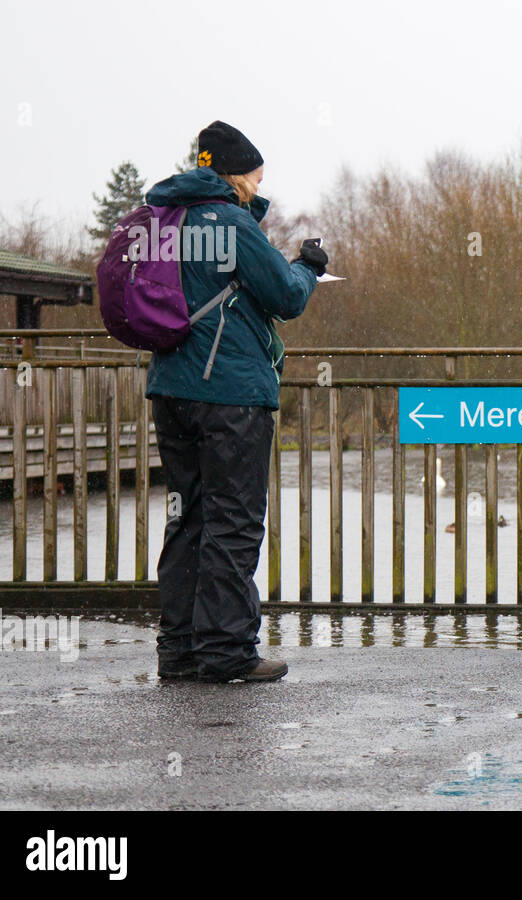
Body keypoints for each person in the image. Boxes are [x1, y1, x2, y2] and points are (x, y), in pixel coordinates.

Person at [145, 120, 328, 682]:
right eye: (256, 173)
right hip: (229, 395)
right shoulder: (227, 221)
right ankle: (225, 653)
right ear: (234, 173)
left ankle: (179, 650)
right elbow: (285, 294)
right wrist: (310, 267)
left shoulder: (164, 221)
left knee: (187, 518)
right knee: (234, 522)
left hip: (171, 390)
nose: (259, 181)